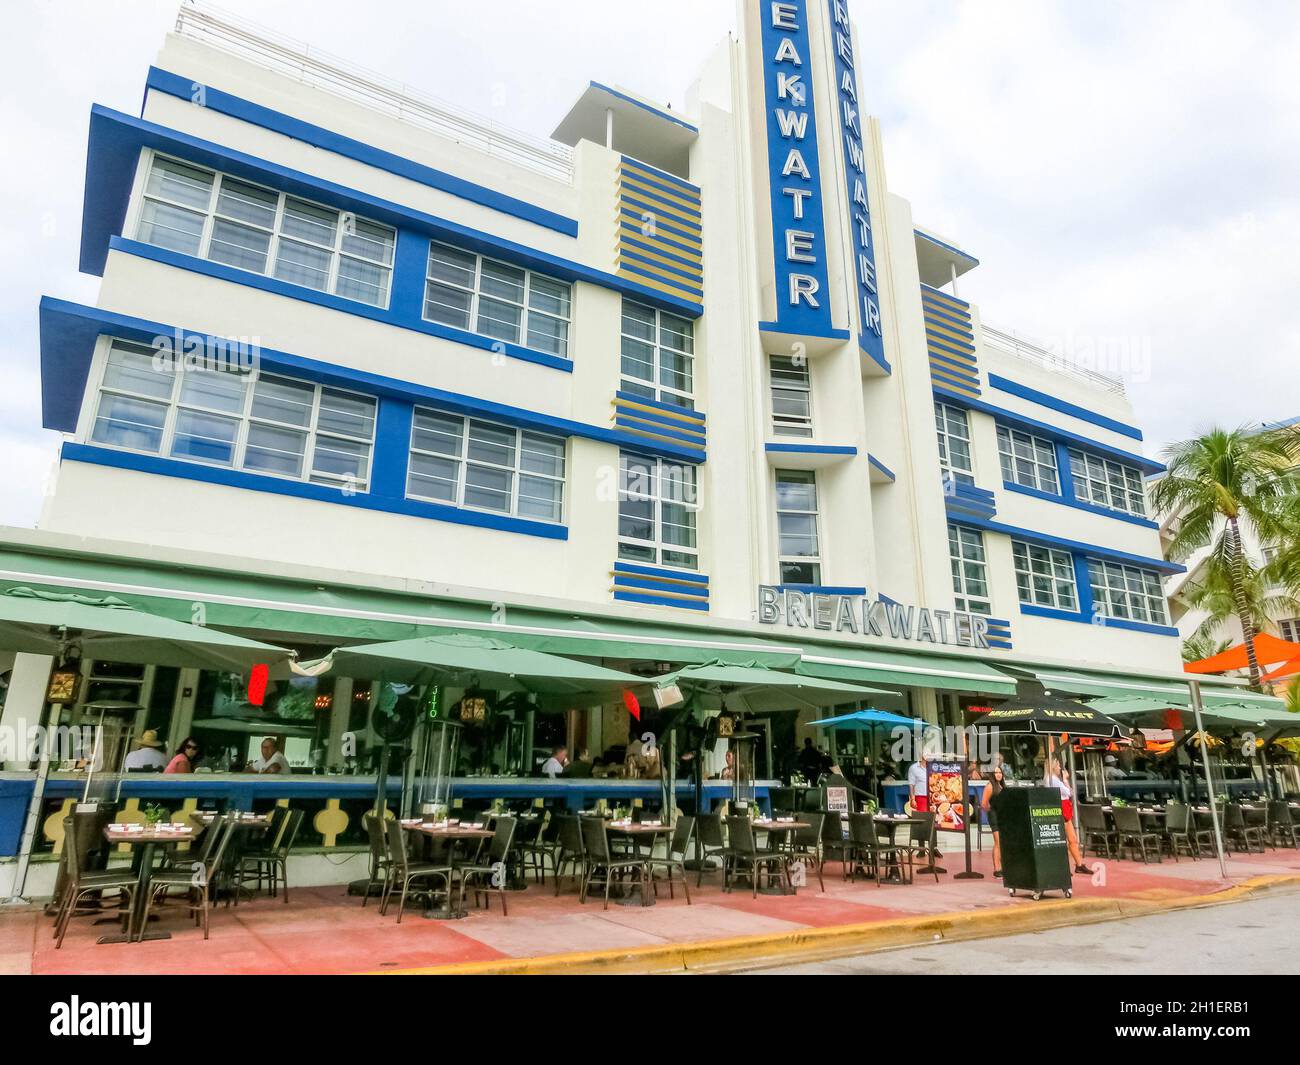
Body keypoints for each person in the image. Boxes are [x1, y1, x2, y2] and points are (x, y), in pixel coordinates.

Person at [1047, 757, 1090, 874]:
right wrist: (1066, 780)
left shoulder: (1052, 779)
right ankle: (1068, 865)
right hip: (1061, 809)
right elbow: (1069, 792)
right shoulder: (1053, 779)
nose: (1060, 768)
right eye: (1058, 765)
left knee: (1072, 839)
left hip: (1063, 809)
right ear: (1053, 766)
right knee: (1065, 840)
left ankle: (1079, 864)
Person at [983, 764, 1009, 877]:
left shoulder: (1002, 786)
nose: (998, 775)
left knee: (1003, 842)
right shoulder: (990, 786)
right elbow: (984, 803)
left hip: (1003, 815)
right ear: (992, 775)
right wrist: (992, 811)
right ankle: (997, 868)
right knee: (998, 842)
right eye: (996, 773)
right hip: (994, 816)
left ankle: (1004, 867)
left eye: (1000, 773)